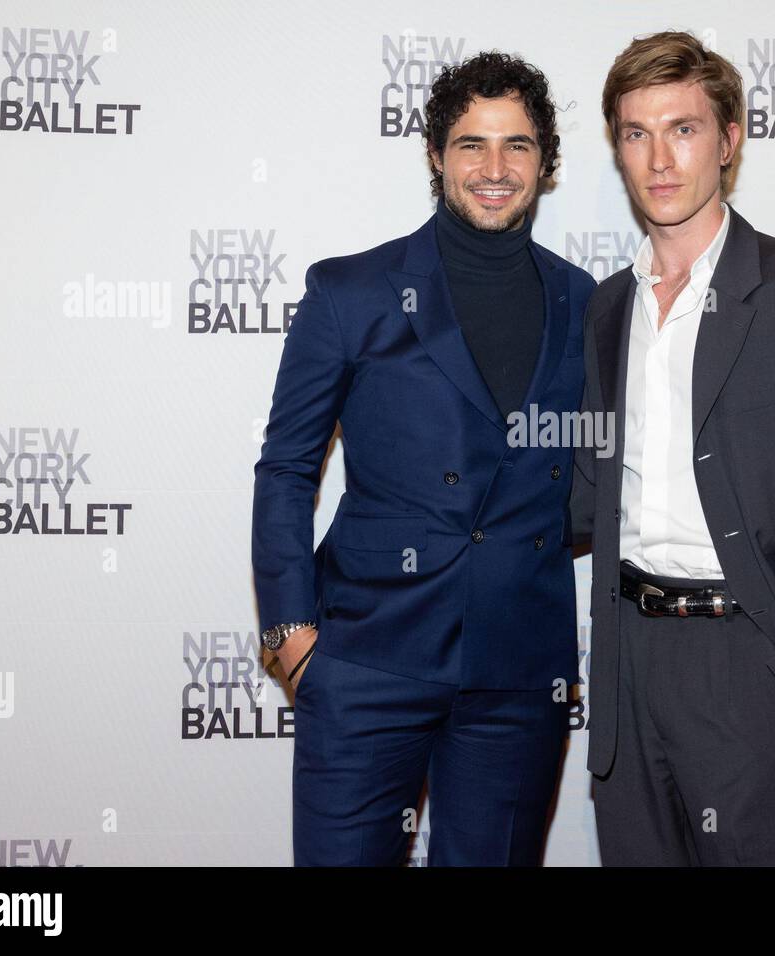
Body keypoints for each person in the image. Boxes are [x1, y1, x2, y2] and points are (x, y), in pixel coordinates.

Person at [252, 51, 596, 866]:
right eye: (471, 144)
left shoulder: (588, 302)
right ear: (437, 155)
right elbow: (287, 467)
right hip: (369, 657)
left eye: (517, 145)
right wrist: (290, 630)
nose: (494, 167)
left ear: (545, 163)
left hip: (520, 671)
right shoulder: (351, 292)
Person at [570, 31, 775, 865]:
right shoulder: (608, 309)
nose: (659, 158)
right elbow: (582, 490)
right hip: (629, 666)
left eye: (682, 129)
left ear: (731, 138)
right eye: (636, 133)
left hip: (752, 664)